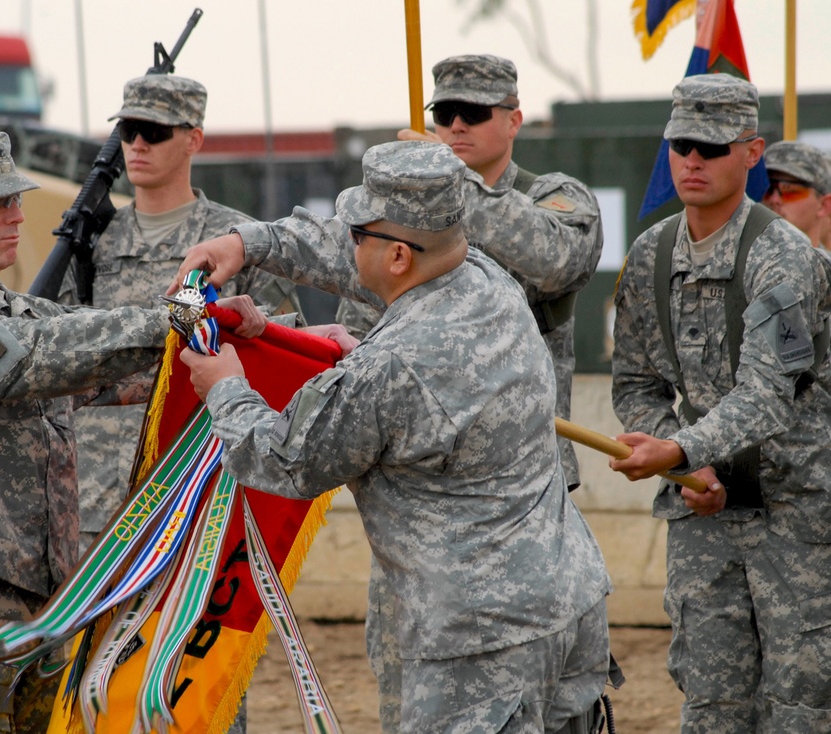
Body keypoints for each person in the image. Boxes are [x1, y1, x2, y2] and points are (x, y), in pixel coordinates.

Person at [174, 140, 612, 734]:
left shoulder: (393, 369)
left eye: (359, 234)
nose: (348, 241)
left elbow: (283, 459)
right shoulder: (487, 279)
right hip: (565, 604)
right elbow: (402, 371)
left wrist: (224, 386)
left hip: (477, 646)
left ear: (400, 256)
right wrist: (251, 245)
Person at [0, 130, 264, 734]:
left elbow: (125, 372)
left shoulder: (23, 315)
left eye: (16, 198)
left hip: (46, 605)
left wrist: (272, 339)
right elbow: (30, 361)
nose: (17, 214)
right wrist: (180, 316)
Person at [336, 53, 606, 729]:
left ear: (513, 120)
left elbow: (555, 259)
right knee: (414, 686)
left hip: (521, 502)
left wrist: (449, 189)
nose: (455, 127)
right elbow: (361, 333)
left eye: (474, 115)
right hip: (421, 511)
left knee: (535, 697)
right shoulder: (394, 220)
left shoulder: (556, 200)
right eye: (444, 115)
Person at [611, 74, 831, 732]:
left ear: (752, 152)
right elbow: (636, 384)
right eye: (681, 145)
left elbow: (771, 392)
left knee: (801, 702)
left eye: (711, 146)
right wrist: (687, 469)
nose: (693, 161)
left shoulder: (783, 258)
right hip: (704, 519)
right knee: (710, 702)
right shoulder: (651, 256)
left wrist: (683, 449)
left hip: (795, 520)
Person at [58, 72, 301, 555]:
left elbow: (282, 349)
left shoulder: (241, 241)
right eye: (128, 131)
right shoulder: (89, 245)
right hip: (100, 484)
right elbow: (63, 352)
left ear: (194, 139)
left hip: (199, 482)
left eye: (155, 132)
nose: (138, 145)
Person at [760, 139, 831, 248]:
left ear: (824, 205)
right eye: (768, 189)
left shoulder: (825, 265)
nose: (774, 199)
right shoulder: (737, 261)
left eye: (789, 191)